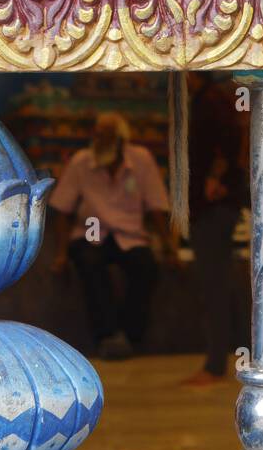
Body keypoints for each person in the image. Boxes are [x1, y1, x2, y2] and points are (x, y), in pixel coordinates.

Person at [50, 111, 178, 359]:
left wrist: (170, 248)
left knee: (146, 267)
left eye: (105, 135)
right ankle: (107, 336)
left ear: (119, 139)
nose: (98, 139)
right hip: (93, 225)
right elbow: (62, 209)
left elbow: (156, 207)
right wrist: (61, 254)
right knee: (90, 261)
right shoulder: (81, 161)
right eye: (96, 134)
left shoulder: (141, 160)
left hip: (129, 232)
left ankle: (130, 335)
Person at [180, 84, 248, 388]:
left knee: (214, 287)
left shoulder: (210, 101)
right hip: (213, 205)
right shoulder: (210, 99)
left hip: (212, 207)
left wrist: (215, 179)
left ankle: (215, 364)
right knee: (218, 286)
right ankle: (222, 359)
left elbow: (225, 143)